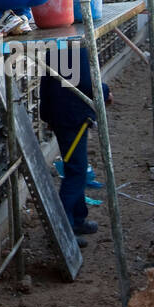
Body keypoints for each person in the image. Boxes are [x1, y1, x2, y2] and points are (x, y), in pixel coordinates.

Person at [40, 48, 110, 238]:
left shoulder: (55, 47)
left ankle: (78, 219)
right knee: (77, 171)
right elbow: (88, 85)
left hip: (61, 118)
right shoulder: (76, 49)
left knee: (75, 169)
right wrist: (106, 91)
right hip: (73, 119)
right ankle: (63, 231)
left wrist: (46, 116)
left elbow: (45, 85)